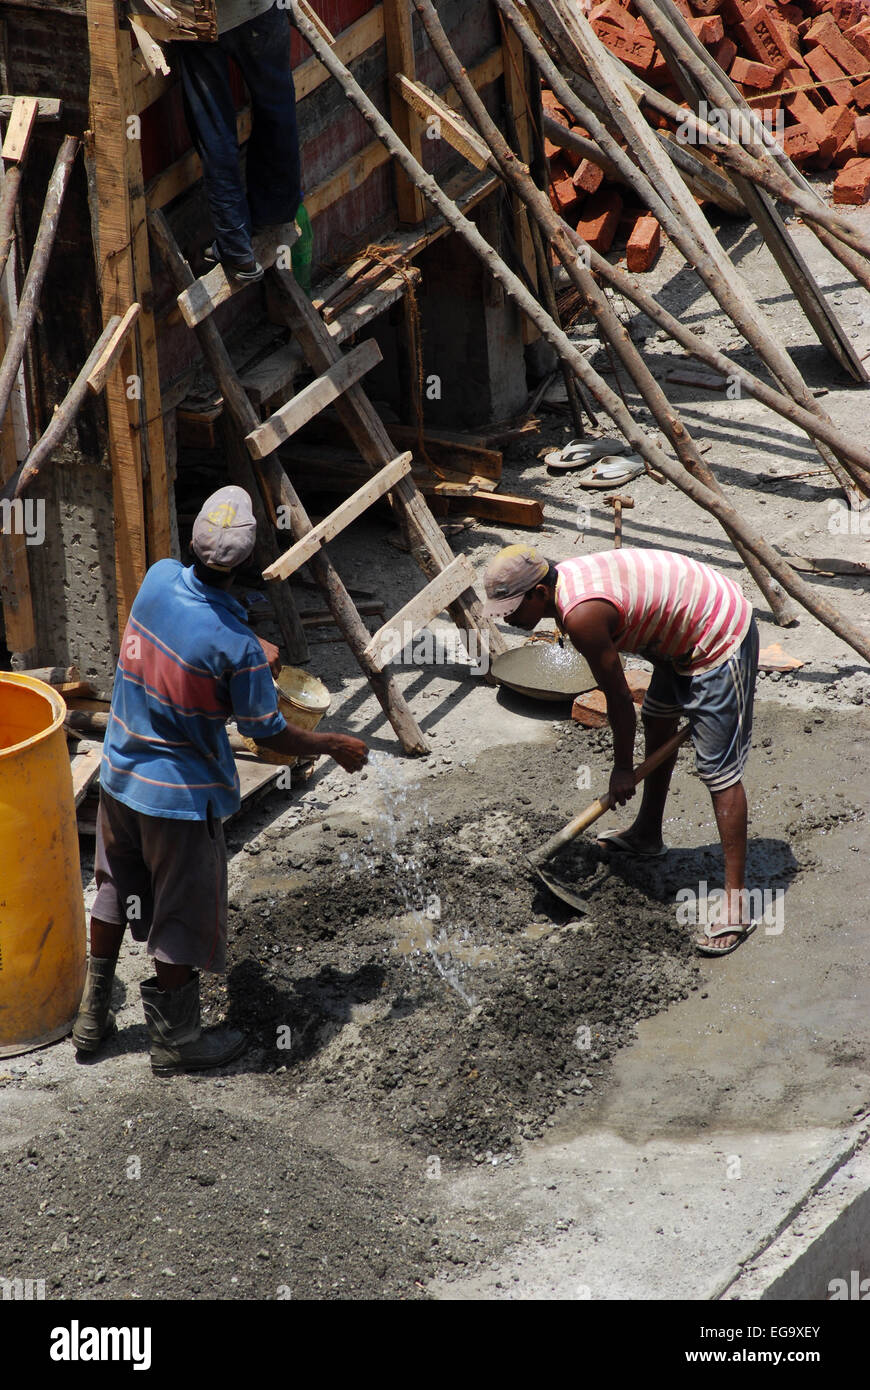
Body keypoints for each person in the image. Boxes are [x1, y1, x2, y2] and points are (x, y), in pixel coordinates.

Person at [72, 486, 368, 1073]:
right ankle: (176, 1041)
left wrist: (249, 644)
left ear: (194, 545)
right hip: (179, 803)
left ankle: (91, 1016)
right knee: (178, 915)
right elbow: (271, 735)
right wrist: (334, 744)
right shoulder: (238, 651)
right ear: (249, 562)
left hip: (120, 776)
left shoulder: (158, 580)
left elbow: (191, 625)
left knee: (114, 889)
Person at [483, 544, 760, 957]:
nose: (507, 617)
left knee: (717, 770)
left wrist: (622, 770)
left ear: (540, 593)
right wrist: (625, 767)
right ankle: (647, 835)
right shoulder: (564, 592)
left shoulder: (581, 616)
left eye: (512, 607)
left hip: (716, 634)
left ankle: (737, 904)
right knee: (658, 717)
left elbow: (617, 701)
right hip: (672, 636)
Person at [149, 0, 305, 281]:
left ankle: (236, 247)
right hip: (260, 10)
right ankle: (274, 212)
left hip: (201, 17)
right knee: (277, 107)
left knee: (214, 128)